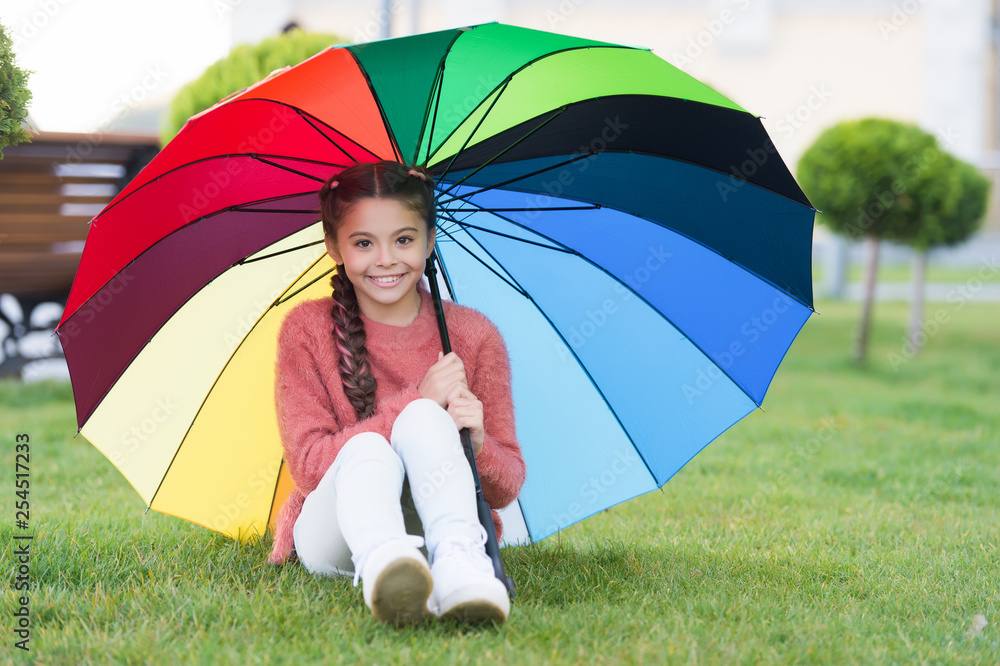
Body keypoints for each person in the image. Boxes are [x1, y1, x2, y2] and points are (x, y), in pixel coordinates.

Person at [267, 160, 525, 626]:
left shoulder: (473, 336)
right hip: (337, 534)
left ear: (429, 241)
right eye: (364, 243)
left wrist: (480, 442)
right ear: (334, 246)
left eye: (404, 240)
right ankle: (385, 566)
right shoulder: (305, 331)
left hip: (440, 523)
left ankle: (459, 568)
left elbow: (505, 489)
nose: (385, 258)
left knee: (426, 421)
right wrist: (418, 399)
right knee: (380, 439)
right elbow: (307, 468)